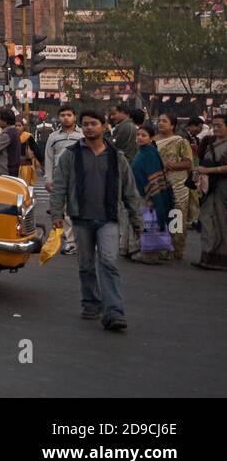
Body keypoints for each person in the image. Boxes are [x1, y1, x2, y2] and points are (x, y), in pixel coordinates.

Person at [48, 110, 144, 332]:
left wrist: (136, 220)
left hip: (109, 218)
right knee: (86, 265)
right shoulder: (71, 155)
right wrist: (56, 214)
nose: (90, 127)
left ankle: (114, 311)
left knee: (109, 263)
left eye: (94, 123)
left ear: (103, 126)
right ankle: (91, 303)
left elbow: (130, 191)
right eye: (86, 124)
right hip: (81, 218)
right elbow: (60, 186)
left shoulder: (116, 156)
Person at [129, 122, 175, 264]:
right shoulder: (142, 151)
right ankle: (141, 249)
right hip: (138, 193)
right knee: (143, 222)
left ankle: (150, 253)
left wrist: (151, 197)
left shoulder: (150, 153)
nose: (140, 138)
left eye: (144, 135)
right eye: (138, 135)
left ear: (151, 138)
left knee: (150, 223)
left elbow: (153, 177)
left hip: (148, 195)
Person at [42, 106, 84, 255]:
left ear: (75, 117)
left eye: (69, 115)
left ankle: (83, 240)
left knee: (79, 208)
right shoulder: (53, 136)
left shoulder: (83, 135)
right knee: (64, 210)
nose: (66, 118)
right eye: (62, 115)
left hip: (80, 178)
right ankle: (71, 242)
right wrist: (48, 178)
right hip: (59, 178)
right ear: (59, 117)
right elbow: (48, 158)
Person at [154, 112, 194, 260]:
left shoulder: (180, 141)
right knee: (160, 214)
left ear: (172, 125)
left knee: (176, 215)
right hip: (159, 182)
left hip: (178, 183)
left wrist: (173, 165)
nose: (160, 123)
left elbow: (188, 163)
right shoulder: (153, 140)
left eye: (164, 121)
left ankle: (175, 250)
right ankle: (160, 248)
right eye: (159, 121)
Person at [192, 113, 227, 270]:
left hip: (223, 187)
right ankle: (207, 255)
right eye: (214, 125)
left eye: (220, 125)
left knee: (222, 221)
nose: (216, 128)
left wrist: (210, 170)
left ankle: (221, 259)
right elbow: (200, 160)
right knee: (207, 220)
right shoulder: (209, 141)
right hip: (208, 187)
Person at [0, 107, 21, 176]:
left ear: (5, 122)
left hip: (6, 171)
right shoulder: (14, 132)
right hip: (12, 169)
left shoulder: (8, 134)